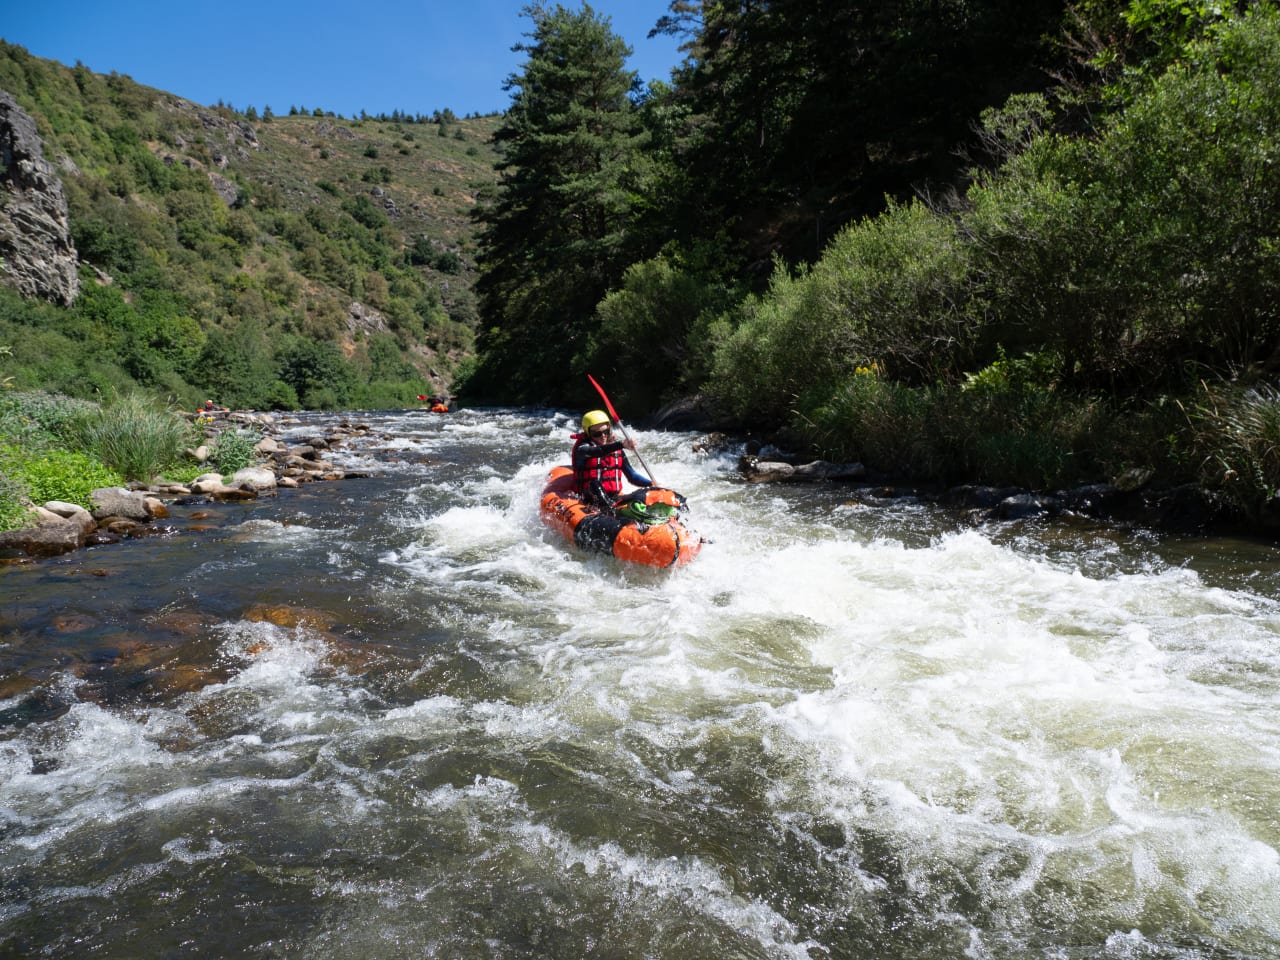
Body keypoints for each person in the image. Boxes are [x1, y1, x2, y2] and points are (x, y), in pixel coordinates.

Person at [571, 410, 651, 511]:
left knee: (642, 496)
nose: (603, 436)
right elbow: (597, 451)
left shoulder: (617, 451)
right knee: (594, 484)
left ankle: (613, 510)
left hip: (613, 498)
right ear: (587, 433)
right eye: (597, 433)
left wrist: (652, 484)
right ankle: (608, 511)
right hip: (588, 498)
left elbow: (632, 476)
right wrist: (621, 444)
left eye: (606, 431)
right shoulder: (582, 449)